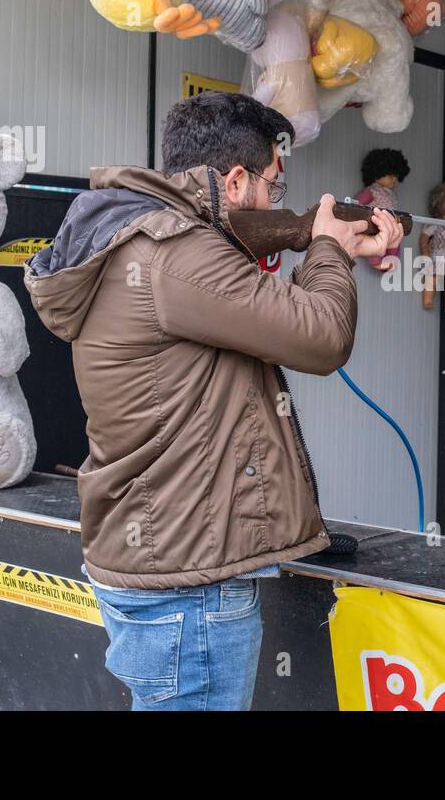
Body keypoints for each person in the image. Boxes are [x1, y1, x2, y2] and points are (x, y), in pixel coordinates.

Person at [25, 92, 401, 710]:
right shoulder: (176, 252)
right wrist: (328, 245)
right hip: (189, 583)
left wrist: (327, 246)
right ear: (233, 179)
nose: (275, 202)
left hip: (166, 558)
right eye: (272, 188)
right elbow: (322, 338)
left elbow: (271, 313)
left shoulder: (142, 237)